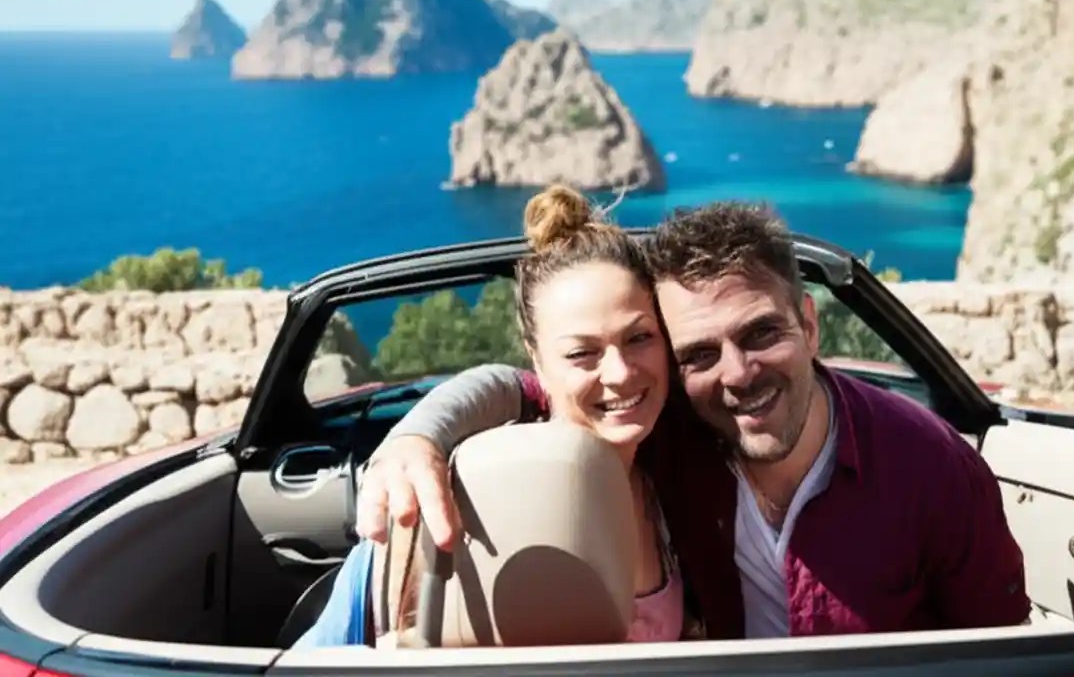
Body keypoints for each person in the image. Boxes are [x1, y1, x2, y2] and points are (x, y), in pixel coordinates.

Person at [358, 200, 1032, 640]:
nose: (738, 374)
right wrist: (417, 435)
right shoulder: (671, 429)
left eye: (762, 334)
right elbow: (533, 390)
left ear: (809, 324)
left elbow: (1004, 651)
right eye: (701, 353)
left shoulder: (931, 468)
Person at [294, 185, 688, 647]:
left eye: (639, 337)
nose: (620, 373)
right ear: (537, 360)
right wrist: (415, 438)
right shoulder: (469, 495)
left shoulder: (671, 475)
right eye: (582, 352)